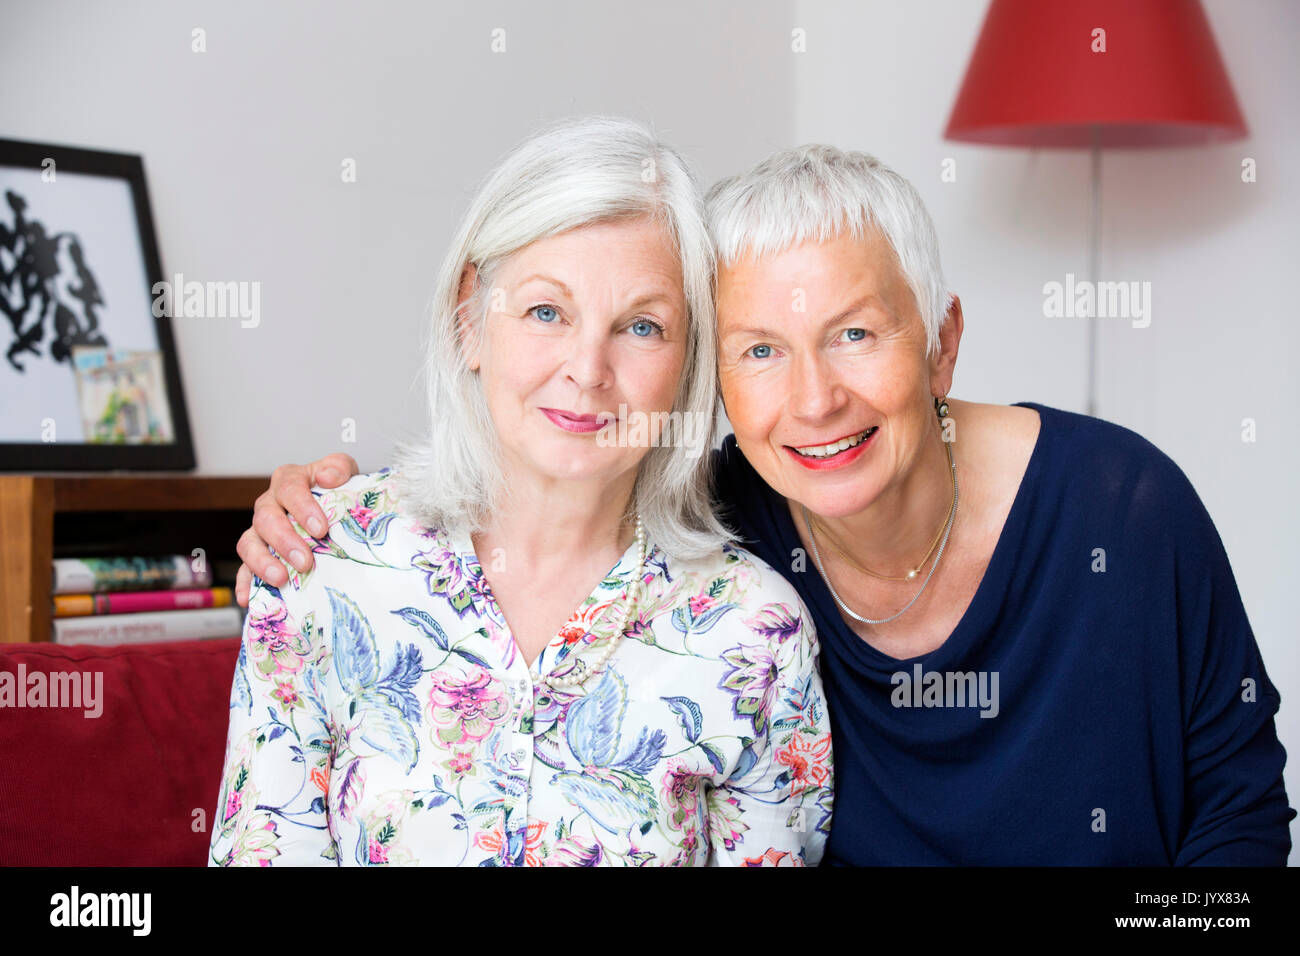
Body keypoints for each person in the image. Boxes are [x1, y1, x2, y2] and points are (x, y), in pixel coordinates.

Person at [238, 140, 1294, 865]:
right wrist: (302, 515)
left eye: (856, 333)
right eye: (759, 351)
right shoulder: (721, 527)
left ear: (941, 342)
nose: (813, 397)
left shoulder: (1120, 512)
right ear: (723, 387)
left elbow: (1239, 807)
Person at [210, 116, 833, 867]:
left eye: (641, 327)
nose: (587, 369)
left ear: (690, 359)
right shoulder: (321, 558)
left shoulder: (756, 632)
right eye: (547, 312)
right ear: (470, 319)